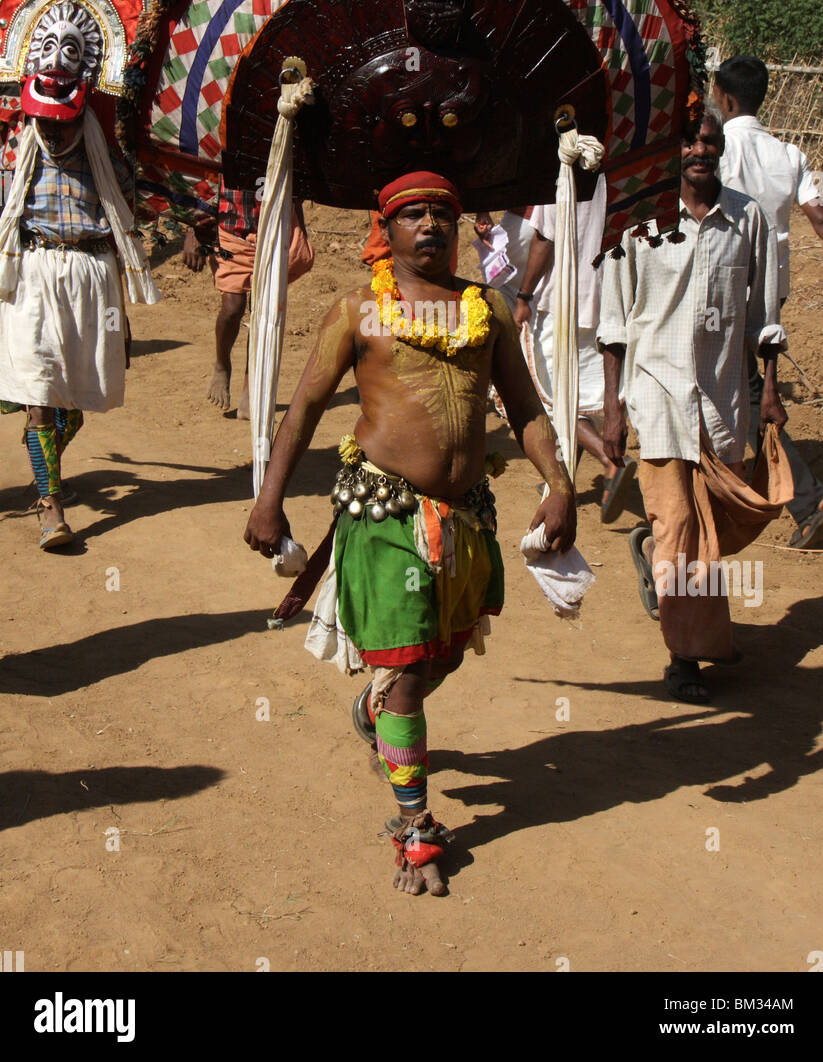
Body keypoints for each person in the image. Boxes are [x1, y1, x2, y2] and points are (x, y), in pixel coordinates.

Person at [244, 170, 576, 896]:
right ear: (385, 232)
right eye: (412, 215)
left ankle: (374, 708)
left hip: (464, 518)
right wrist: (269, 500)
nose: (430, 226)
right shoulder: (359, 310)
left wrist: (560, 483)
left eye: (443, 215)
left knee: (441, 659)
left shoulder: (486, 307)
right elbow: (301, 412)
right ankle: (415, 827)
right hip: (384, 515)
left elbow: (524, 408)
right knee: (408, 674)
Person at [599, 104, 790, 703]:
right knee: (685, 528)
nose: (699, 151)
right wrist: (613, 409)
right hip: (657, 397)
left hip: (724, 400)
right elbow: (613, 325)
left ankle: (655, 555)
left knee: (738, 515)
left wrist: (771, 391)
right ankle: (685, 659)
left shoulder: (748, 220)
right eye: (689, 142)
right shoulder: (637, 221)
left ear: (721, 150)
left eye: (708, 141)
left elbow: (764, 318)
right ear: (672, 151)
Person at [0, 1, 159, 549]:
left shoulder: (107, 153)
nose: (53, 135)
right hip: (31, 273)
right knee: (39, 394)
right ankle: (51, 508)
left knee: (73, 404)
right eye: (44, 123)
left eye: (61, 125)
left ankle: (44, 458)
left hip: (92, 277)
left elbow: (131, 219)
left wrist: (122, 316)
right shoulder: (9, 155)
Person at [713, 54, 823, 548]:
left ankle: (808, 500)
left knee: (744, 395)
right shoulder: (789, 154)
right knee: (746, 387)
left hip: (724, 284)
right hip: (771, 290)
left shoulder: (718, 148)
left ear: (724, 98)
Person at [511, 177, 637, 521]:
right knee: (575, 391)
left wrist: (524, 295)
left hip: (565, 298)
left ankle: (608, 460)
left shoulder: (564, 177)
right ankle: (561, 479)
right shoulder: (625, 173)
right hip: (614, 298)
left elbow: (544, 239)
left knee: (550, 395)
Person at [183, 183, 313, 417]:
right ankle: (222, 364)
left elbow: (299, 192)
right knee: (233, 308)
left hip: (274, 234)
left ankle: (251, 386)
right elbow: (203, 182)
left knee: (262, 313)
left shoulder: (290, 146)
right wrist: (193, 232)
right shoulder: (228, 148)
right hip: (231, 234)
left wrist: (299, 230)